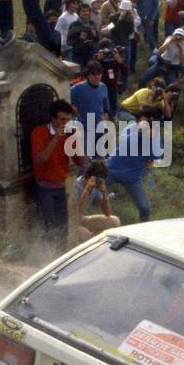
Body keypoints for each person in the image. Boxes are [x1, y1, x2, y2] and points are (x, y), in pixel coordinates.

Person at [31, 100, 83, 245]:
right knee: (49, 227)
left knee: (63, 227)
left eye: (68, 119)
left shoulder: (69, 135)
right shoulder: (39, 133)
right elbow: (41, 160)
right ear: (53, 119)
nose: (65, 123)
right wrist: (56, 139)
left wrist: (76, 141)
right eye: (62, 119)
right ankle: (48, 257)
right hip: (44, 188)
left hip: (60, 187)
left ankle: (61, 256)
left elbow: (80, 162)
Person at [105, 106, 164, 222]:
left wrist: (151, 138)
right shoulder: (131, 128)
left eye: (152, 120)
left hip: (132, 177)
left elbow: (156, 156)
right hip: (113, 169)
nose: (149, 122)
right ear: (140, 119)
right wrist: (140, 133)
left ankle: (143, 230)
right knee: (91, 190)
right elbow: (124, 146)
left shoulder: (156, 136)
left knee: (145, 208)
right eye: (146, 119)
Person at [74, 159, 122, 240]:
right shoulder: (76, 186)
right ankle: (90, 241)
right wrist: (86, 190)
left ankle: (94, 240)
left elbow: (107, 214)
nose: (97, 182)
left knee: (114, 221)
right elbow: (77, 212)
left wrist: (104, 192)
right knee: (86, 234)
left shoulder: (95, 188)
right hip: (70, 222)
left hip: (81, 220)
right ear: (88, 176)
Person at [70, 62, 110, 155]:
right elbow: (66, 102)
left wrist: (105, 125)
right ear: (88, 75)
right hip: (84, 129)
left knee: (102, 158)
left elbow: (106, 108)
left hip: (99, 127)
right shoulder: (77, 88)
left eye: (99, 74)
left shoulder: (103, 87)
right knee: (85, 160)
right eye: (94, 74)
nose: (97, 77)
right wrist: (75, 113)